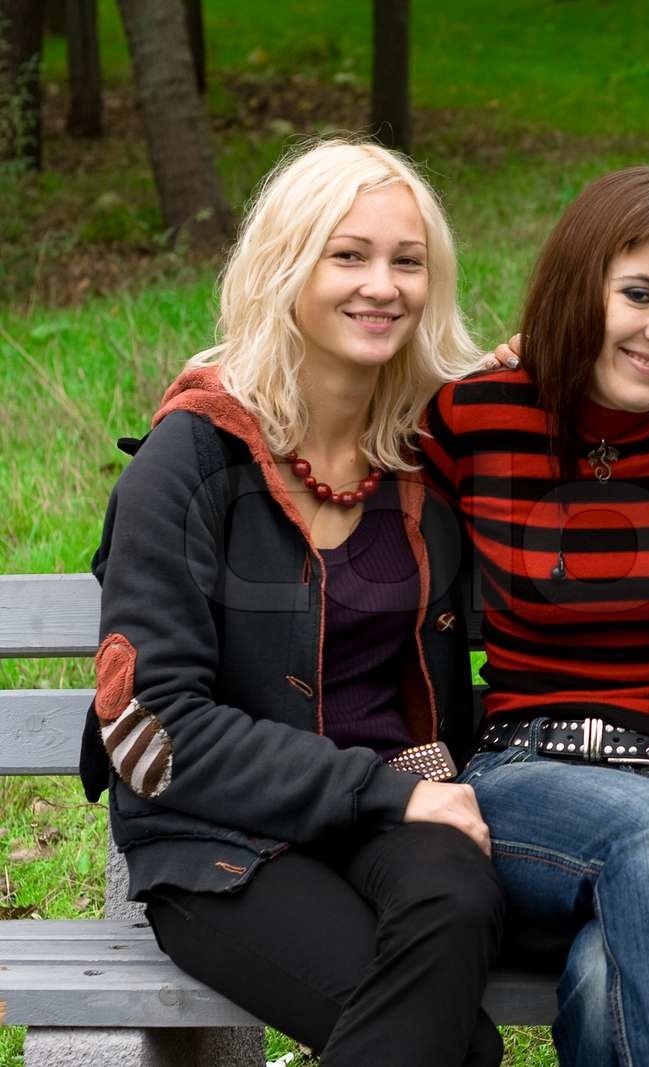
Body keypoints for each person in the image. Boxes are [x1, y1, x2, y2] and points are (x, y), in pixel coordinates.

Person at [79, 140, 505, 1067]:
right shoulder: (189, 462)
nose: (382, 285)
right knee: (458, 1048)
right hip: (217, 842)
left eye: (407, 260)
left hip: (391, 810)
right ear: (285, 268)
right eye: (347, 255)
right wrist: (383, 790)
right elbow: (154, 728)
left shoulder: (423, 455)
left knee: (457, 896)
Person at [421, 166, 649, 1067]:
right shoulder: (475, 412)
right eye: (638, 294)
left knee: (600, 973)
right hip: (533, 780)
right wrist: (210, 384)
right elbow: (323, 433)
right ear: (578, 283)